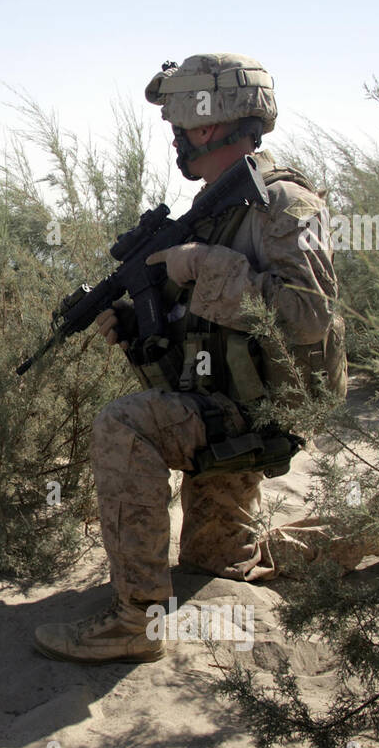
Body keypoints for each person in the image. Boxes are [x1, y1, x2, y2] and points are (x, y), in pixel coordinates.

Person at [33, 53, 350, 664]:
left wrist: (204, 266)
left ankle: (137, 623)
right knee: (217, 559)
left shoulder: (285, 204)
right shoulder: (216, 209)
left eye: (180, 124)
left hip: (263, 412)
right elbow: (208, 330)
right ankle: (373, 534)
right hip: (227, 402)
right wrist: (137, 326)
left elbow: (308, 319)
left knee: (122, 424)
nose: (174, 138)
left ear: (207, 124)